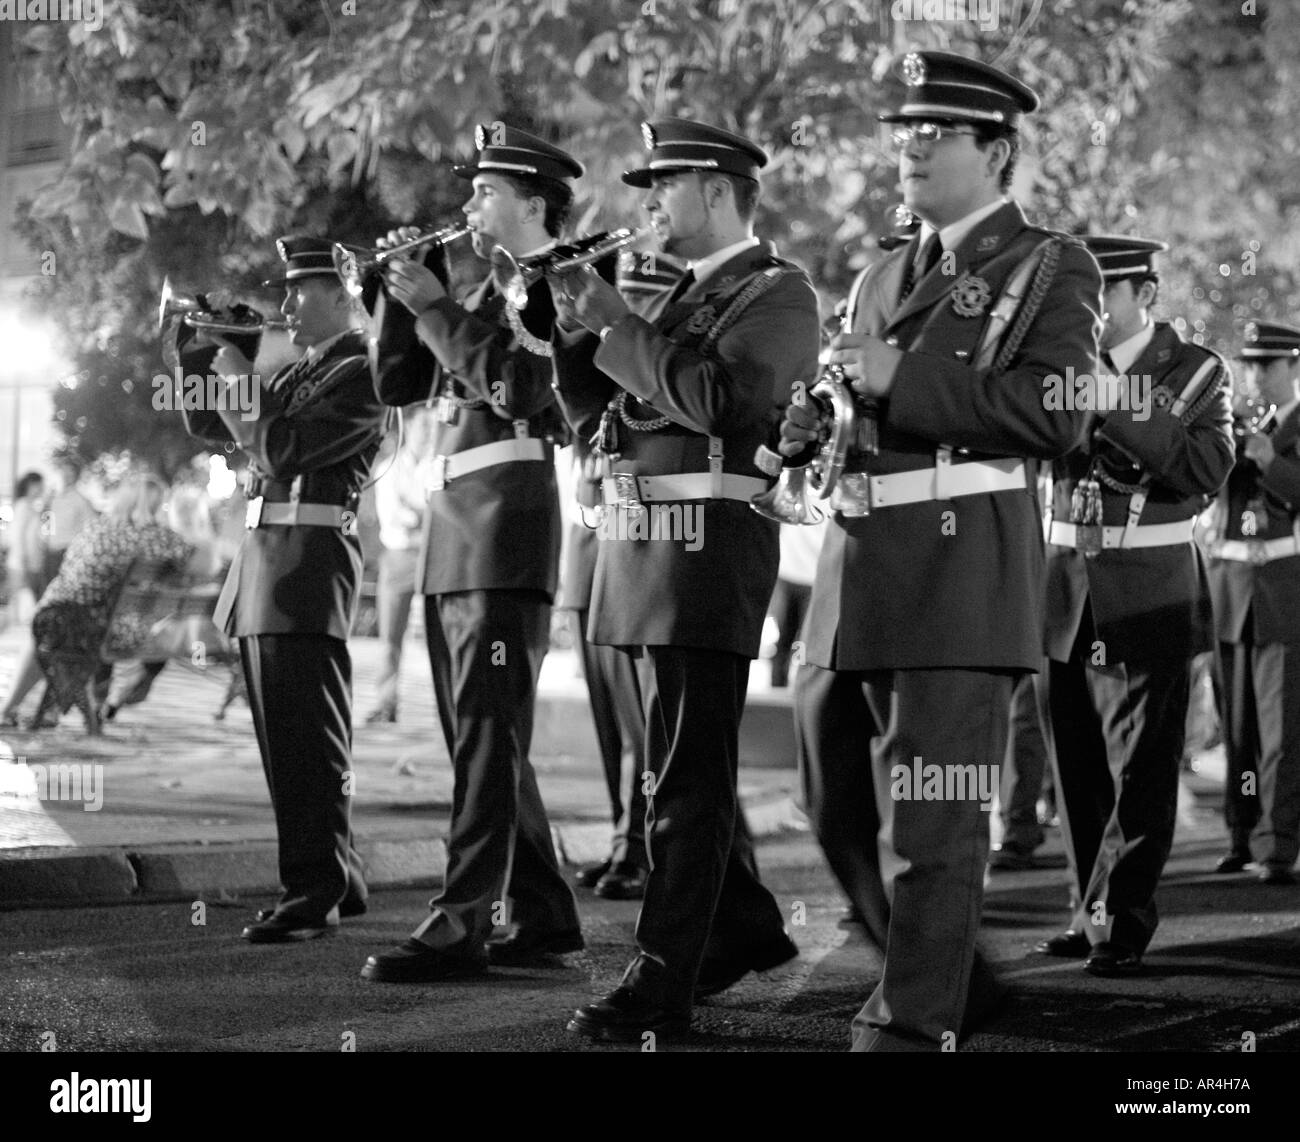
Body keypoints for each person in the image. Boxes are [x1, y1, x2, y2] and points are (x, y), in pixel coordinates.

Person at [781, 51, 1103, 1050]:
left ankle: (913, 1022)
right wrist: (812, 415)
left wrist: (898, 375)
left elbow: (1061, 415)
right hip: (856, 567)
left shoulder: (1050, 266)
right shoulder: (883, 269)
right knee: (831, 799)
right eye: (906, 133)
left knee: (934, 814)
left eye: (936, 134)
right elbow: (855, 395)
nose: (911, 149)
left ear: (997, 150)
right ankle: (953, 972)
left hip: (962, 574)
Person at [552, 117, 818, 1042]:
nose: (649, 203)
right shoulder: (675, 298)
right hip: (645, 544)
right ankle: (741, 926)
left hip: (706, 549)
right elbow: (598, 413)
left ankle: (661, 977)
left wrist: (618, 323)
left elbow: (721, 403)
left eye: (664, 184)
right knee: (678, 770)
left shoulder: (780, 294)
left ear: (716, 189)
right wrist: (568, 330)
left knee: (686, 776)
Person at [362, 125, 582, 983]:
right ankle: (545, 913)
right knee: (481, 736)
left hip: (507, 526)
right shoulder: (486, 290)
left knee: (487, 735)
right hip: (458, 528)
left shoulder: (555, 286)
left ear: (533, 204)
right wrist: (393, 299)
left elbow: (525, 389)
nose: (467, 205)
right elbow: (400, 387)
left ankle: (463, 920)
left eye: (486, 192)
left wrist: (430, 305)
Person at [178, 235, 387, 942]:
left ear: (344, 294)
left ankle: (314, 887)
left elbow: (280, 449)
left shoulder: (364, 370)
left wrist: (239, 368)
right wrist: (201, 347)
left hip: (311, 557)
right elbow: (217, 426)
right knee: (285, 736)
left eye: (302, 291)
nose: (288, 306)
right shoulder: (305, 372)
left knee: (309, 738)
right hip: (271, 558)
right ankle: (338, 875)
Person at [1036, 235, 1234, 975]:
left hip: (1147, 586)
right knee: (1077, 769)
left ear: (1143, 294)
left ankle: (1123, 920)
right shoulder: (1057, 368)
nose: (1083, 315)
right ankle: (1088, 911)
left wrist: (1110, 399)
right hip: (1063, 588)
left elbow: (1204, 469)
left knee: (1141, 769)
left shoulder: (1195, 370)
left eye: (1098, 298)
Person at [1209, 320, 1300, 886]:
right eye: (1248, 365)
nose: (1253, 376)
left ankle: (1278, 842)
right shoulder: (1239, 425)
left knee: (1280, 729)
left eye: (1265, 366)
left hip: (1283, 593)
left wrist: (1270, 460)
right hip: (1231, 592)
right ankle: (1242, 832)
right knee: (1237, 726)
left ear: (1294, 367)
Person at [17, 474, 197, 735]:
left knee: (49, 631)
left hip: (79, 626)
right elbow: (197, 561)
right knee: (59, 634)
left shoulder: (97, 530)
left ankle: (14, 709)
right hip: (124, 632)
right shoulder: (162, 538)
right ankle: (63, 708)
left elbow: (68, 581)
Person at [364, 404, 431, 724]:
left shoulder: (437, 465)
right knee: (390, 635)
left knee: (441, 635)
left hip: (431, 555)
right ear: (410, 430)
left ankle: (449, 706)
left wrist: (418, 515)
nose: (428, 434)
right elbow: (394, 515)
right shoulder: (390, 466)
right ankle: (387, 702)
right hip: (399, 556)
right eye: (423, 428)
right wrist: (423, 516)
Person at [42, 457, 98, 583]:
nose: (66, 475)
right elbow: (46, 525)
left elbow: (93, 529)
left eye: (70, 472)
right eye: (64, 471)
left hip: (67, 554)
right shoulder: (54, 498)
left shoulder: (82, 501)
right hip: (50, 554)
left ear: (76, 475)